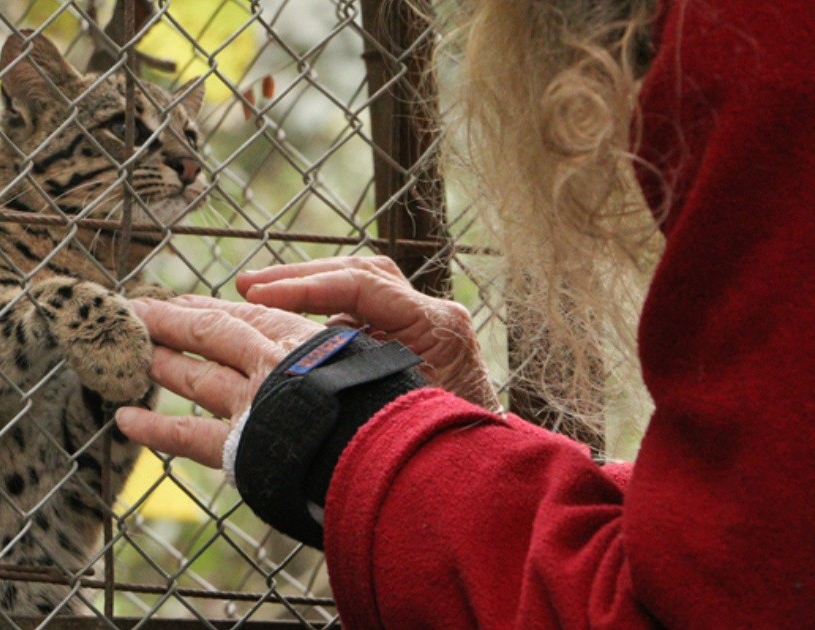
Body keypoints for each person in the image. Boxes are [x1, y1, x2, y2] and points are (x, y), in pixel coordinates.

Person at [116, 0, 815, 627]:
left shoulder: (752, 42)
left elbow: (709, 602)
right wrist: (473, 438)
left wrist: (365, 437)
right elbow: (734, 543)